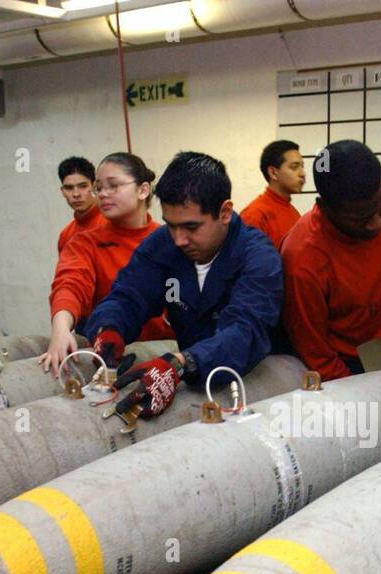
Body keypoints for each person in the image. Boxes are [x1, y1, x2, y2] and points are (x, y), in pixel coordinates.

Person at [84, 151, 282, 418]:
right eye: (171, 226)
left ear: (224, 212)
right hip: (194, 385)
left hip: (254, 381)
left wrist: (182, 363)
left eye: (191, 227)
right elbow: (129, 295)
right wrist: (109, 329)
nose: (179, 239)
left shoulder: (258, 258)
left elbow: (245, 330)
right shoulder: (163, 245)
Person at [279, 140, 381, 380]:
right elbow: (316, 354)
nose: (376, 224)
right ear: (324, 208)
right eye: (361, 219)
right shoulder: (302, 257)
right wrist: (359, 395)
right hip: (347, 363)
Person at [43, 153, 160, 373]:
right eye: (99, 187)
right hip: (110, 356)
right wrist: (60, 329)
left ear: (143, 190)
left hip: (165, 353)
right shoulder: (84, 242)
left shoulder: (170, 241)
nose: (103, 194)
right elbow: (70, 283)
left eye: (113, 186)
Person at [240, 140, 305, 250]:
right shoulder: (255, 215)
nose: (302, 174)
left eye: (302, 166)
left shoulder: (293, 212)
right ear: (273, 173)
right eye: (294, 167)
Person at [56, 156, 106, 254]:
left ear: (95, 186)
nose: (76, 194)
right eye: (69, 188)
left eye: (83, 186)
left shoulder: (114, 224)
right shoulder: (65, 236)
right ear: (62, 191)